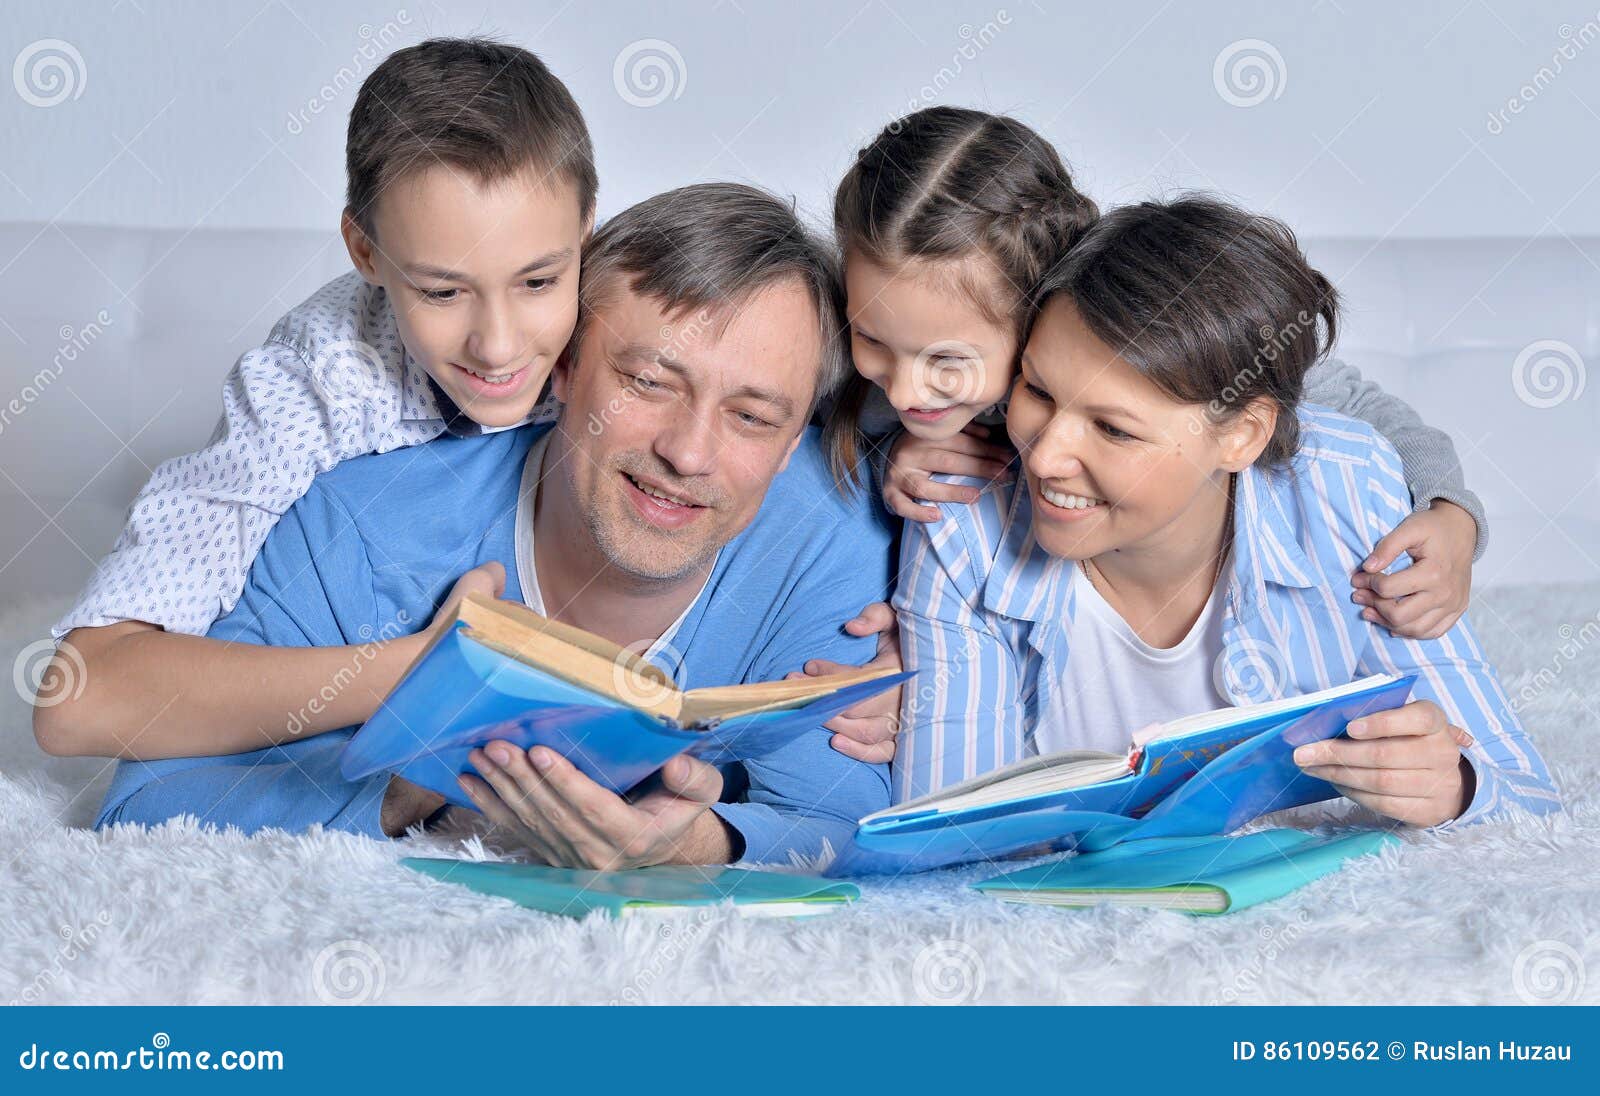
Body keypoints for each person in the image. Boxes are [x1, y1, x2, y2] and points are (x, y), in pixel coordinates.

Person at [85, 183, 899, 867]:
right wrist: (414, 779)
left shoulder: (832, 532)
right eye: (648, 381)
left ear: (796, 437)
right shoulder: (360, 522)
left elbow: (845, 826)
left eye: (754, 417)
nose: (688, 453)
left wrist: (697, 848)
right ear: (565, 369)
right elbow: (150, 806)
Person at [890, 195, 1558, 829]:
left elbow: (1523, 790)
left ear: (1241, 436)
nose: (1044, 457)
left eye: (1114, 430)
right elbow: (942, 823)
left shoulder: (1348, 488)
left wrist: (1456, 787)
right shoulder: (959, 517)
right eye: (1036, 391)